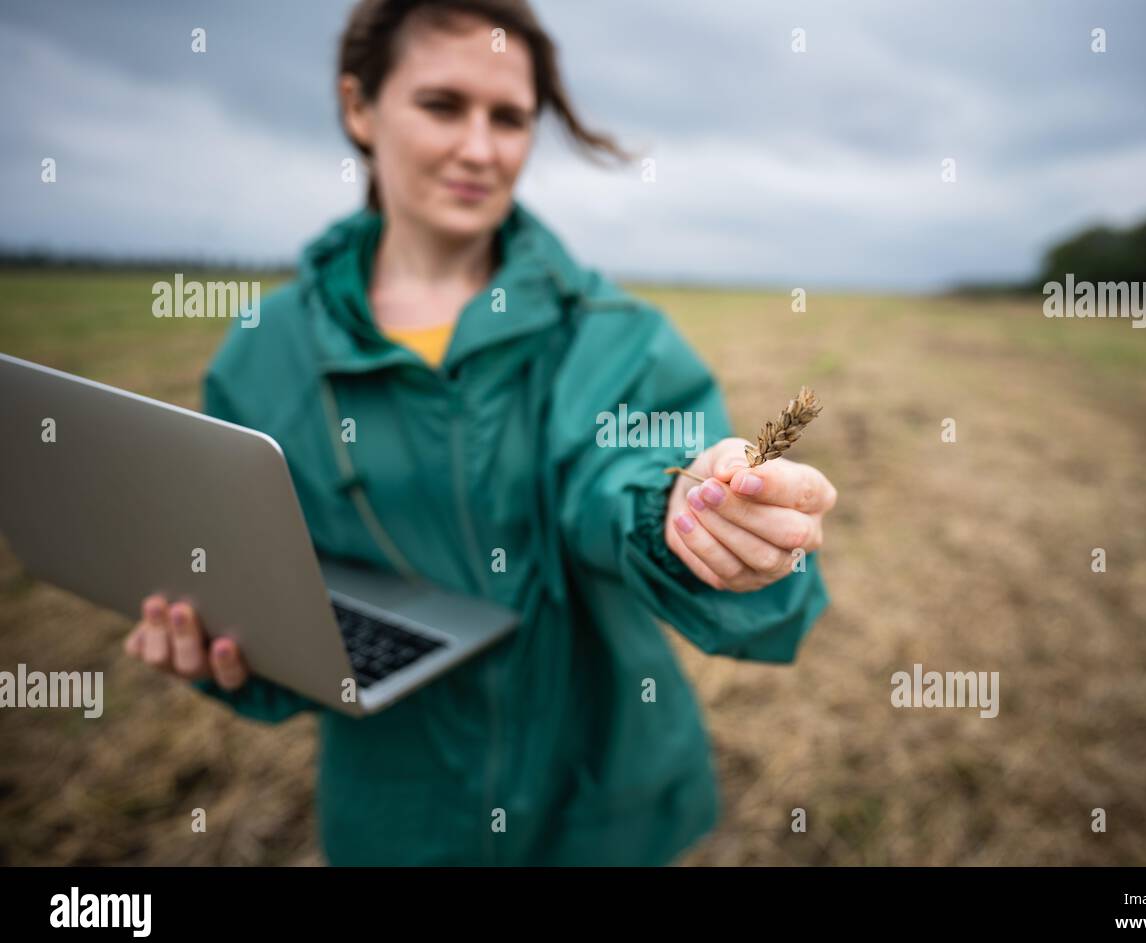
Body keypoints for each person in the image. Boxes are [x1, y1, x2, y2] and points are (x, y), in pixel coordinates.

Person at [122, 0, 837, 865]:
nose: (480, 148)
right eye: (441, 105)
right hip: (401, 825)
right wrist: (225, 650)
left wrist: (694, 516)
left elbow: (618, 476)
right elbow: (268, 596)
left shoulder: (614, 332)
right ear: (359, 107)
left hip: (606, 815)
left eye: (510, 118)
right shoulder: (264, 358)